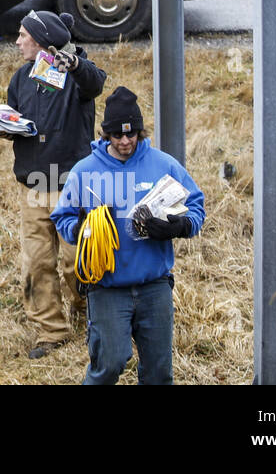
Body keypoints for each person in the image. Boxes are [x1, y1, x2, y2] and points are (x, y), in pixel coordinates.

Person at [51, 86, 206, 385]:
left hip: (154, 287)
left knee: (160, 373)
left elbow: (196, 206)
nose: (125, 141)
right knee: (109, 365)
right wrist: (84, 229)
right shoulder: (85, 172)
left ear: (140, 132)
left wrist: (180, 227)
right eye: (117, 135)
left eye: (131, 134)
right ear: (105, 134)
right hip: (108, 287)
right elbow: (62, 218)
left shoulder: (164, 165)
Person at [3, 9, 106, 358]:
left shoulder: (77, 74)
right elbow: (16, 119)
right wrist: (0, 125)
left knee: (76, 260)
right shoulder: (21, 79)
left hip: (70, 186)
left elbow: (95, 82)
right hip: (31, 185)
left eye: (23, 36)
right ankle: (52, 330)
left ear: (42, 40)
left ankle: (90, 311)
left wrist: (74, 64)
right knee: (37, 262)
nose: (17, 42)